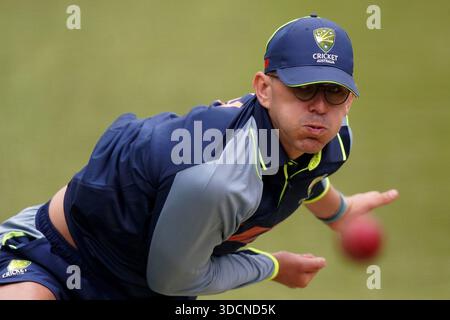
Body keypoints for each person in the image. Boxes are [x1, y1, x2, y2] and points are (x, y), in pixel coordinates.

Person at [0, 14, 398, 300]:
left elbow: (303, 176)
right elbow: (174, 282)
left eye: (334, 92)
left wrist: (339, 213)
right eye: (303, 90)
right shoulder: (218, 179)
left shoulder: (333, 141)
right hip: (56, 257)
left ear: (349, 101)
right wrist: (274, 267)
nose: (320, 108)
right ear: (264, 89)